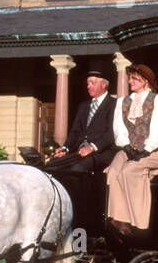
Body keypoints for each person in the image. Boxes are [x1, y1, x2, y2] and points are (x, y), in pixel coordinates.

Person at [45, 70, 117, 229]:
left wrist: (92, 147)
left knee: (77, 171)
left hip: (101, 153)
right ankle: (55, 210)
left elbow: (112, 133)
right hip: (78, 152)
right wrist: (65, 148)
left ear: (103, 85)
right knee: (51, 166)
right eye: (87, 83)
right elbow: (75, 131)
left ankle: (79, 216)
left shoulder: (114, 105)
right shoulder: (84, 106)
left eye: (92, 83)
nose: (88, 86)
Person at [105, 63, 158, 233]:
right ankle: (120, 218)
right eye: (130, 78)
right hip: (129, 149)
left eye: (134, 78)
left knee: (130, 170)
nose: (130, 81)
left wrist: (145, 150)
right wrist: (126, 147)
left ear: (145, 81)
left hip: (154, 151)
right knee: (113, 171)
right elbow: (118, 128)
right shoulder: (122, 102)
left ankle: (139, 223)